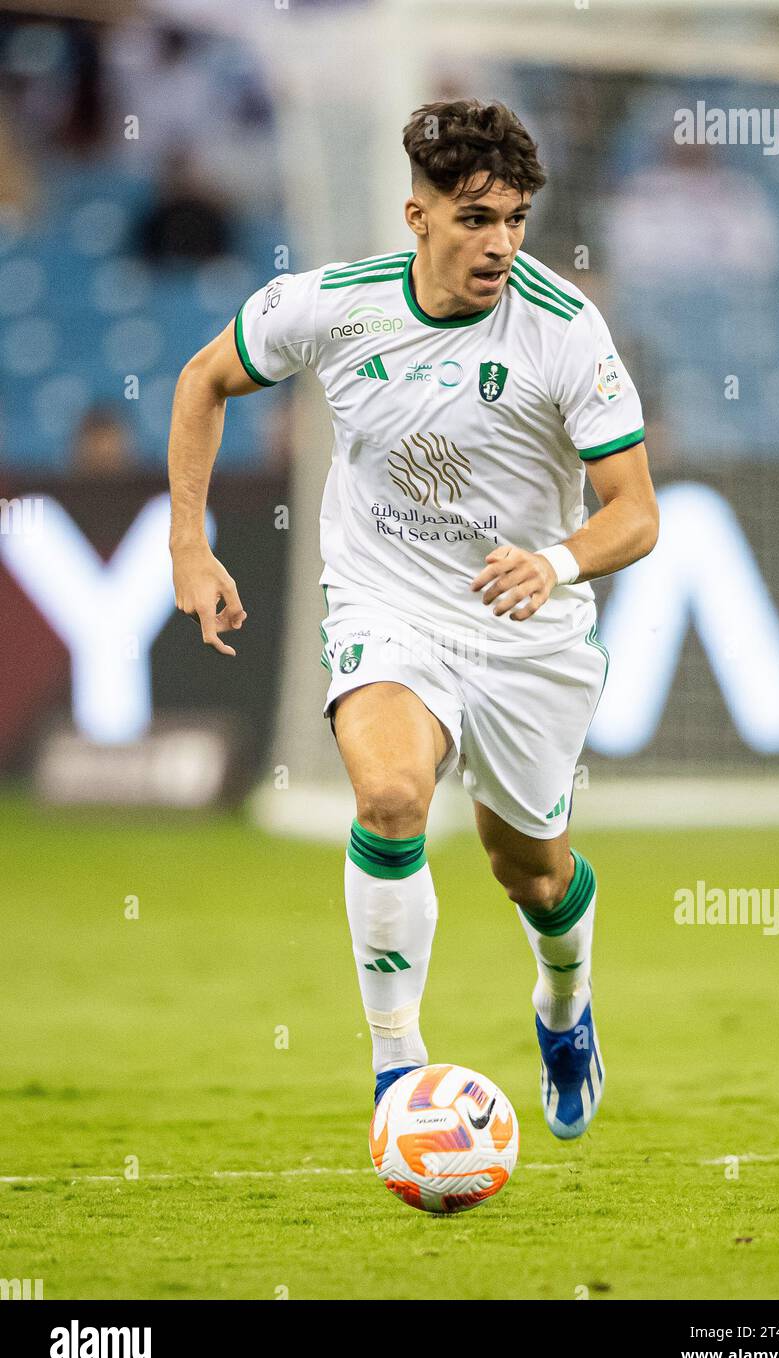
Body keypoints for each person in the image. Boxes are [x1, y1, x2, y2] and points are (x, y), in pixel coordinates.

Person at [167, 100, 658, 1140]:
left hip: (526, 627)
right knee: (390, 797)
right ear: (417, 214)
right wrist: (187, 542)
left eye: (515, 219)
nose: (500, 243)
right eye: (475, 218)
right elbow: (202, 380)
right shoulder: (332, 307)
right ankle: (398, 1073)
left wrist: (555, 559)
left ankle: (562, 1007)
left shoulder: (562, 328)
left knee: (526, 869)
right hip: (387, 605)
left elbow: (636, 513)